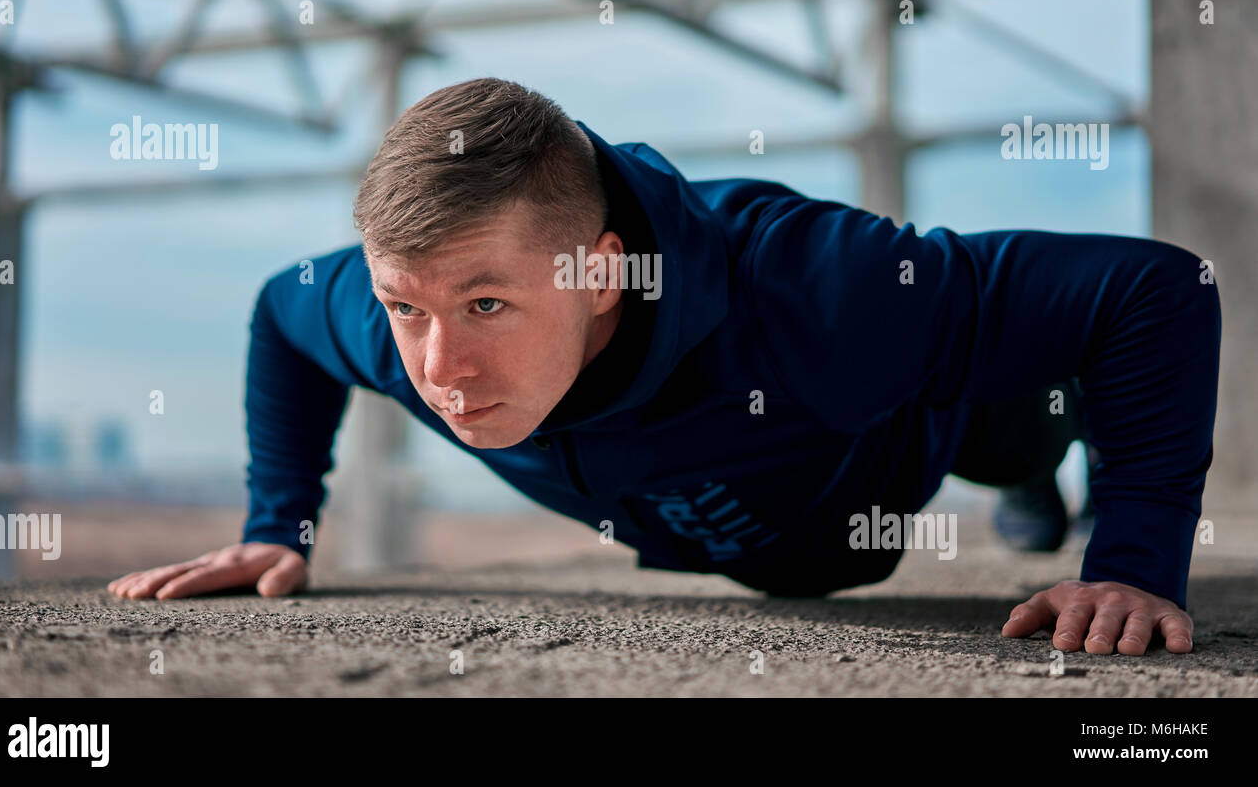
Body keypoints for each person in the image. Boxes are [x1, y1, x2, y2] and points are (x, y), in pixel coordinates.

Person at [109, 77, 1221, 657]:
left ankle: (1031, 473)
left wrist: (1132, 560)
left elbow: (1157, 291)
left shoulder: (815, 294)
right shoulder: (407, 315)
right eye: (407, 306)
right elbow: (279, 312)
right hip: (742, 537)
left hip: (890, 454)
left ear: (601, 274)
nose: (440, 368)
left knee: (1015, 421)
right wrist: (278, 522)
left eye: (487, 303)